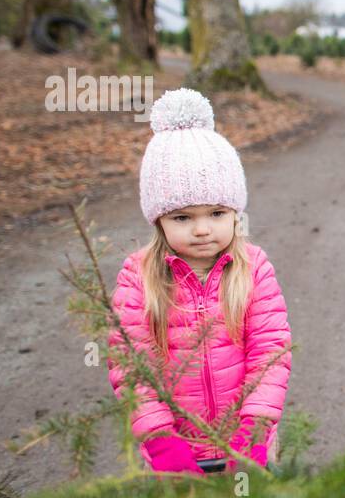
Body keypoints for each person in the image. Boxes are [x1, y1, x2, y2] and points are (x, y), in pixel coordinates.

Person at [106, 87, 292, 475]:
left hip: (244, 443)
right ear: (158, 219)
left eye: (217, 213)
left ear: (235, 211)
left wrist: (253, 435)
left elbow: (270, 352)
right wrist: (162, 442)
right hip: (174, 451)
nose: (202, 230)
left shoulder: (253, 267)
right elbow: (133, 367)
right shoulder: (138, 276)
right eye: (182, 217)